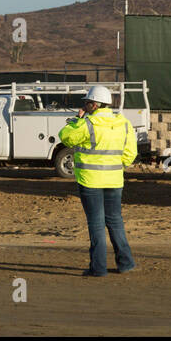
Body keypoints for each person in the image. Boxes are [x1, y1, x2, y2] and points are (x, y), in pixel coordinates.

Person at [59, 85, 138, 276]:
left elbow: (65, 137)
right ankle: (125, 263)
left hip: (90, 181)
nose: (85, 106)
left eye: (87, 103)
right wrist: (117, 166)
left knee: (96, 224)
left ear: (95, 104)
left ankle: (98, 268)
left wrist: (77, 120)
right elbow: (130, 154)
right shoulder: (124, 123)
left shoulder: (87, 124)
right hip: (114, 180)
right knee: (115, 222)